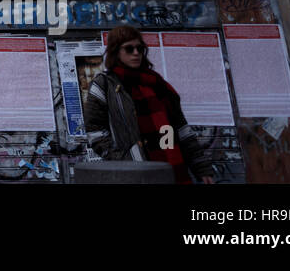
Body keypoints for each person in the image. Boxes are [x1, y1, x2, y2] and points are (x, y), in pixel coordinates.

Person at [83, 25, 216, 184]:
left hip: (174, 169)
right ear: (116, 51)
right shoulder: (104, 85)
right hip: (137, 174)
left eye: (140, 48)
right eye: (129, 49)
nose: (136, 53)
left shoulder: (158, 84)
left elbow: (182, 129)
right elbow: (95, 133)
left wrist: (201, 167)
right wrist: (123, 161)